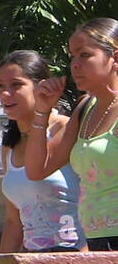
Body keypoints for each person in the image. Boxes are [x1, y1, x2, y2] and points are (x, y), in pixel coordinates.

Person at [24, 18, 118, 251]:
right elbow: (37, 170)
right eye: (72, 56)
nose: (75, 65)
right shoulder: (84, 108)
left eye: (85, 55)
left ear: (115, 57)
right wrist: (41, 111)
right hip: (96, 240)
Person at [0, 50, 85, 253]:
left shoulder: (65, 128)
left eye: (16, 85)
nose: (5, 93)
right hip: (34, 263)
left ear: (41, 85)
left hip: (77, 255)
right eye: (1, 86)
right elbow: (13, 221)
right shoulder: (9, 146)